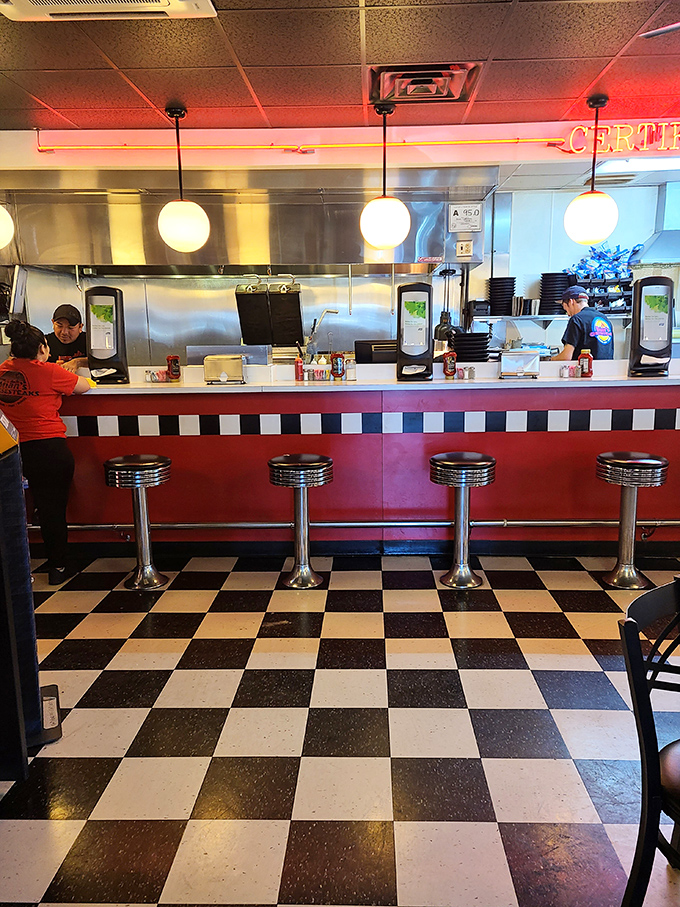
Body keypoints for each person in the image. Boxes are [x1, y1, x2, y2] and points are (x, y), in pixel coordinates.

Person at [0, 321, 91, 584]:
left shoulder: (3, 370)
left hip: (11, 452)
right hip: (48, 449)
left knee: (15, 509)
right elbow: (84, 386)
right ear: (42, 348)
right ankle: (58, 567)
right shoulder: (49, 371)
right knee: (53, 509)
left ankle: (16, 570)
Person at [553, 285, 614, 361]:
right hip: (607, 371)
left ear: (571, 301)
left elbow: (566, 357)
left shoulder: (576, 319)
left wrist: (551, 360)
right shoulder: (604, 319)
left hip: (585, 370)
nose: (568, 314)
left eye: (566, 309)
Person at [46, 304, 88, 373]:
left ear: (80, 327)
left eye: (70, 328)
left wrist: (78, 362)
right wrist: (51, 366)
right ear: (53, 323)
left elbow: (102, 362)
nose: (64, 332)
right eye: (59, 326)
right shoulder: (44, 342)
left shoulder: (89, 342)